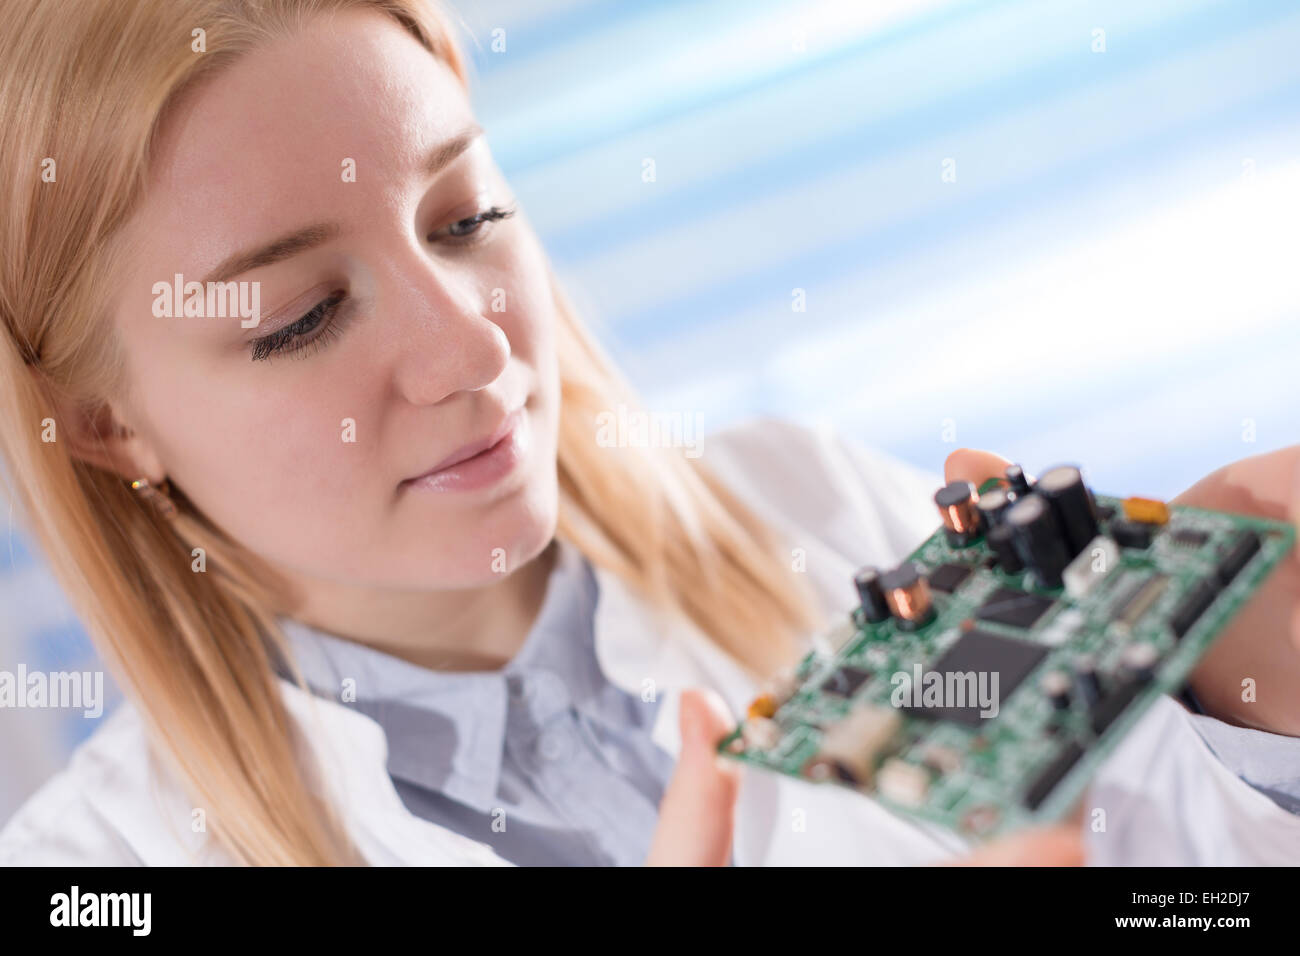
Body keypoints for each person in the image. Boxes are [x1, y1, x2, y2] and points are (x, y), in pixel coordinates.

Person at [0, 0, 1295, 867]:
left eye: (465, 220)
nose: (475, 350)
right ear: (105, 428)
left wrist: (1242, 700)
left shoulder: (807, 505)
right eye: (298, 318)